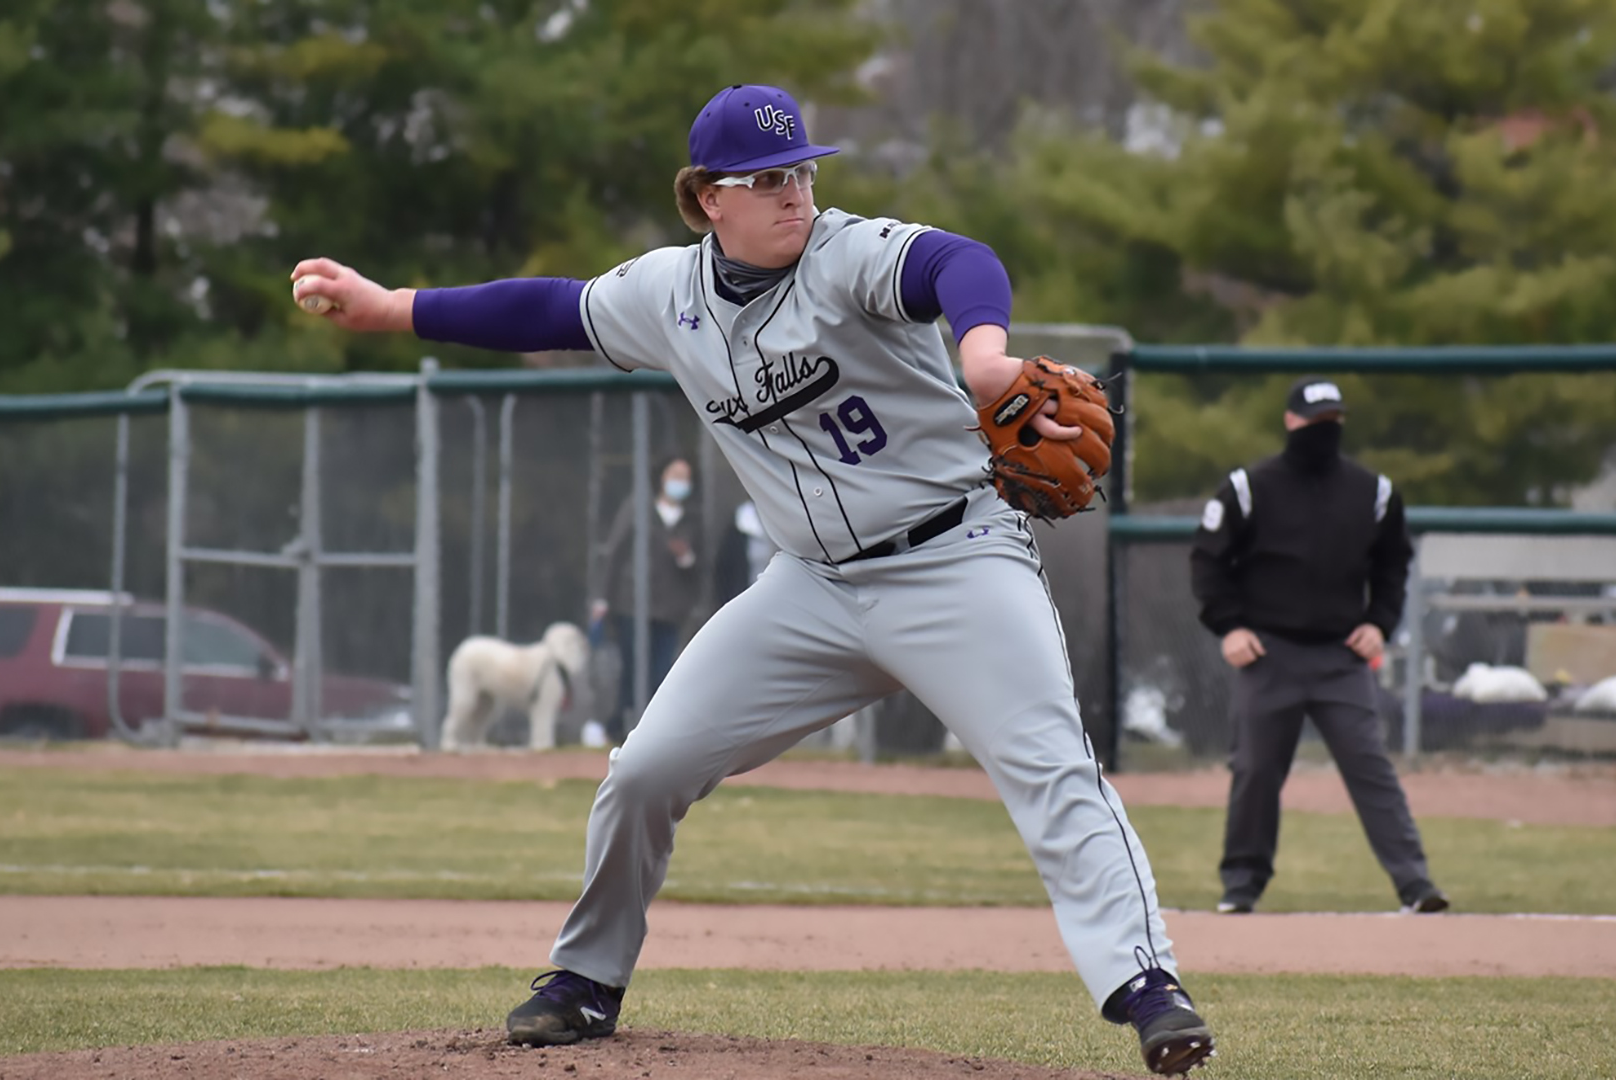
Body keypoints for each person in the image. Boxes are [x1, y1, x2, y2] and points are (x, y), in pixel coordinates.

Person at [290, 84, 1213, 1076]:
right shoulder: (666, 295)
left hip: (956, 558)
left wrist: (982, 354)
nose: (795, 196)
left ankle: (1148, 985)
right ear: (706, 200)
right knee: (644, 769)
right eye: (768, 180)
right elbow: (553, 305)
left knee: (1047, 764)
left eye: (804, 172)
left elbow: (957, 260)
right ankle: (587, 979)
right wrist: (394, 308)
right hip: (809, 589)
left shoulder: (845, 255)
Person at [1188, 376, 1450, 917]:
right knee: (1256, 771)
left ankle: (1416, 885)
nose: (1323, 430)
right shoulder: (1248, 486)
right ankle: (1242, 885)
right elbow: (1208, 560)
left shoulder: (1372, 492)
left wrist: (1380, 621)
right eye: (1314, 421)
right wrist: (1229, 626)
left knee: (1370, 767)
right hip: (1269, 654)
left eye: (1332, 421)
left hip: (1340, 658)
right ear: (1289, 421)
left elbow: (1393, 563)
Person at [595, 456, 704, 742]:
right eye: (674, 475)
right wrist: (603, 598)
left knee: (661, 671)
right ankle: (617, 726)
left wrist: (686, 558)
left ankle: (654, 734)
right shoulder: (638, 509)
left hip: (670, 608)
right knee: (632, 667)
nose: (679, 482)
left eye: (685, 476)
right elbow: (615, 553)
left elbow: (700, 567)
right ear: (661, 477)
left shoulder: (692, 519)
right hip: (632, 603)